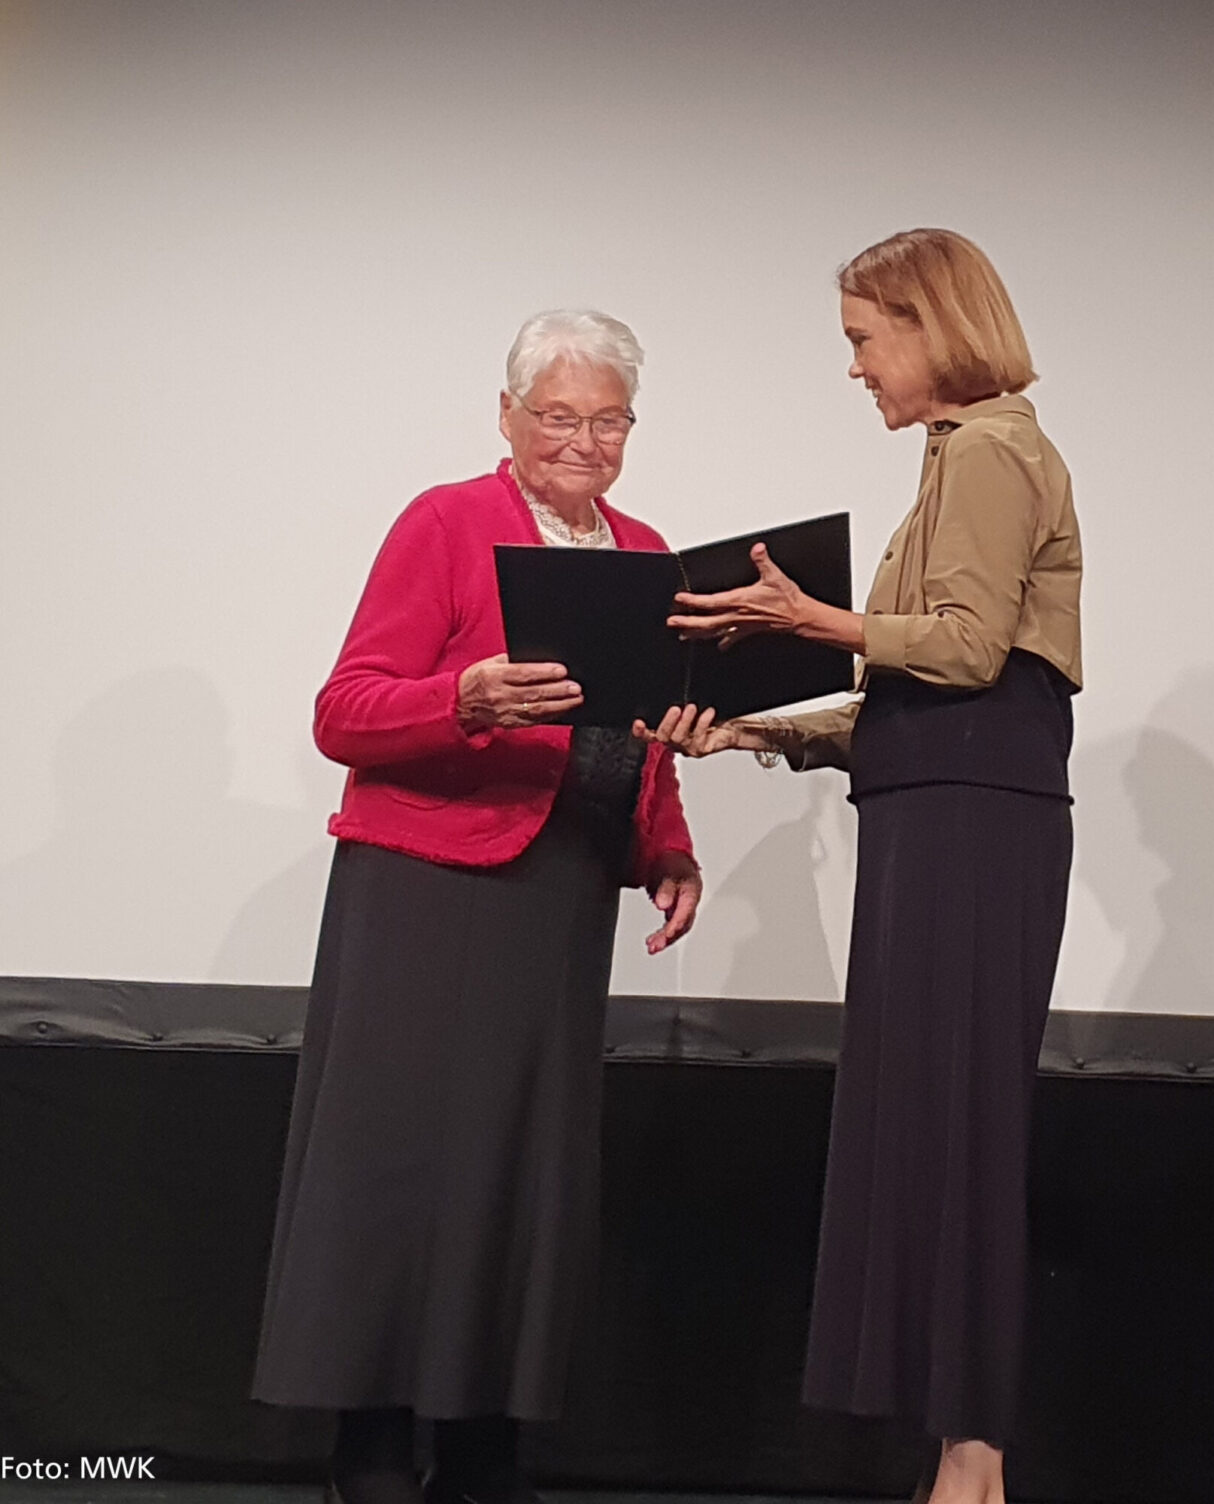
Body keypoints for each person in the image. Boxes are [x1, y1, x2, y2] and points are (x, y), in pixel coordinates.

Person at [637, 229, 1081, 1504]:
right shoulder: (956, 462)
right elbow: (906, 690)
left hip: (971, 823)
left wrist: (804, 621)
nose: (855, 368)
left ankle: (974, 1460)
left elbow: (960, 647)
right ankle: (964, 1455)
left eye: (862, 338)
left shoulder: (994, 447)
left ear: (933, 327)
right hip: (933, 806)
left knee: (960, 1129)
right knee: (928, 1125)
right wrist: (754, 727)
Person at [253, 310, 703, 1504]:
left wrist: (666, 844)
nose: (584, 441)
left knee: (521, 1174)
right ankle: (375, 1438)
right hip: (428, 888)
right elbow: (344, 708)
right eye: (558, 415)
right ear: (507, 416)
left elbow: (639, 728)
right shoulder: (445, 520)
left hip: (557, 897)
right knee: (400, 1166)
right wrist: (466, 697)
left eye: (607, 419)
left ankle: (486, 1440)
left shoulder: (649, 549)